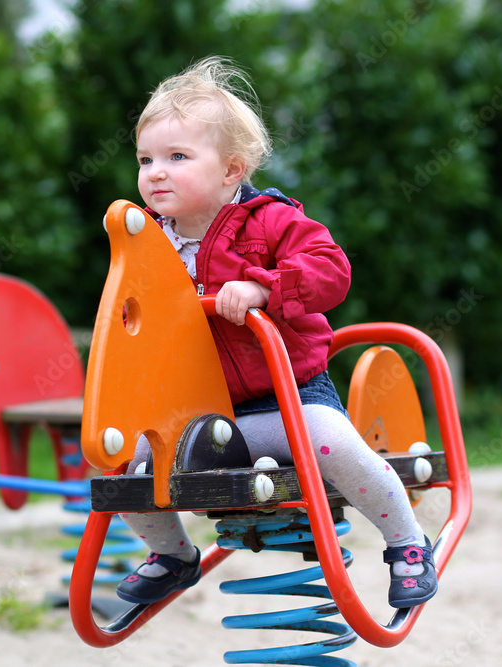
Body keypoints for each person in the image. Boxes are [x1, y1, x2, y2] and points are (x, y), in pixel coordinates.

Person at [115, 56, 436, 610]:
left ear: (232, 170)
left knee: (328, 439)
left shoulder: (270, 221)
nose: (155, 172)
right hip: (205, 411)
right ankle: (172, 556)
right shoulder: (150, 245)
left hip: (290, 396)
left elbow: (332, 269)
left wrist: (264, 287)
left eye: (177, 157)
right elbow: (130, 314)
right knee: (130, 460)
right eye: (146, 159)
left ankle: (407, 542)